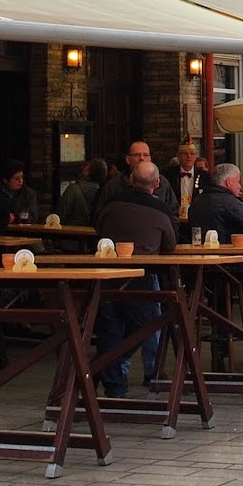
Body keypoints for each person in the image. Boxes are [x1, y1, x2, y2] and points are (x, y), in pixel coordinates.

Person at [93, 162, 175, 397]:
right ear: (157, 184)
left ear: (130, 179)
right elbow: (170, 245)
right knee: (146, 326)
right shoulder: (161, 210)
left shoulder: (111, 204)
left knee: (110, 329)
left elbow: (98, 230)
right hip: (142, 277)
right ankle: (101, 371)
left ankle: (112, 384)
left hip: (107, 274)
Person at [189, 164, 243, 353]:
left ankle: (221, 349)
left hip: (204, 271)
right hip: (231, 267)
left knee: (220, 298)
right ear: (228, 182)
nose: (239, 186)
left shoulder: (197, 202)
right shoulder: (227, 201)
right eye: (237, 182)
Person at [56, 157, 108, 229]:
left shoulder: (73, 189)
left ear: (88, 172)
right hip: (93, 237)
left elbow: (60, 216)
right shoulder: (104, 194)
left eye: (86, 167)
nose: (83, 168)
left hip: (71, 235)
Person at [99, 141, 152, 209]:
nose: (141, 158)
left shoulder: (162, 184)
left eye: (145, 155)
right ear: (128, 159)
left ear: (150, 158)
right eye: (136, 155)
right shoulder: (113, 185)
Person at [169, 142, 213, 215]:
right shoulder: (168, 174)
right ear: (178, 156)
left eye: (192, 154)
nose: (189, 156)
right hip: (174, 217)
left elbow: (209, 199)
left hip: (197, 217)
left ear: (195, 157)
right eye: (185, 153)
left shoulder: (205, 176)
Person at [0, 159, 40, 225]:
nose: (20, 181)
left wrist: (16, 218)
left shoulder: (29, 194)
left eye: (22, 177)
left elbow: (33, 217)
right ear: (5, 180)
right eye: (17, 178)